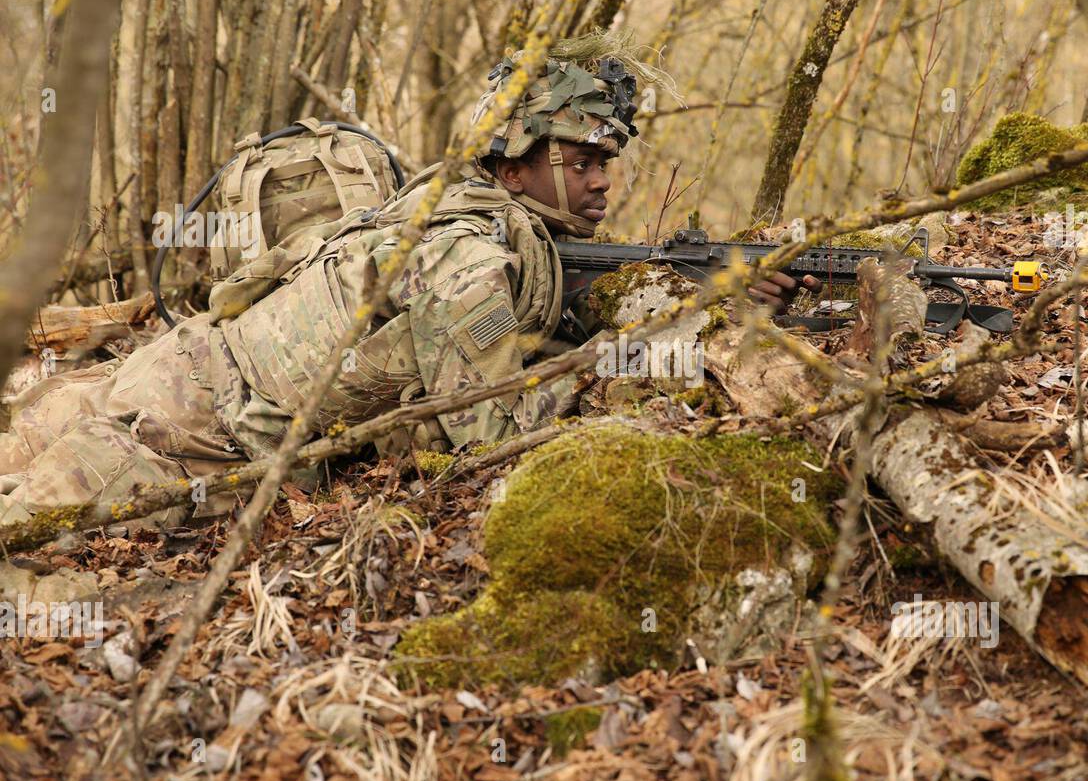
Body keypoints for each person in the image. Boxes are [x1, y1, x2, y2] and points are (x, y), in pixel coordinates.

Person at [0, 48, 818, 529]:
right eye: (581, 160)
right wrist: (670, 355)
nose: (603, 180)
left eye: (608, 160)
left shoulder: (454, 208)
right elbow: (498, 432)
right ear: (514, 162)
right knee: (24, 534)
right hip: (180, 433)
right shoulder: (468, 257)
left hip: (178, 367)